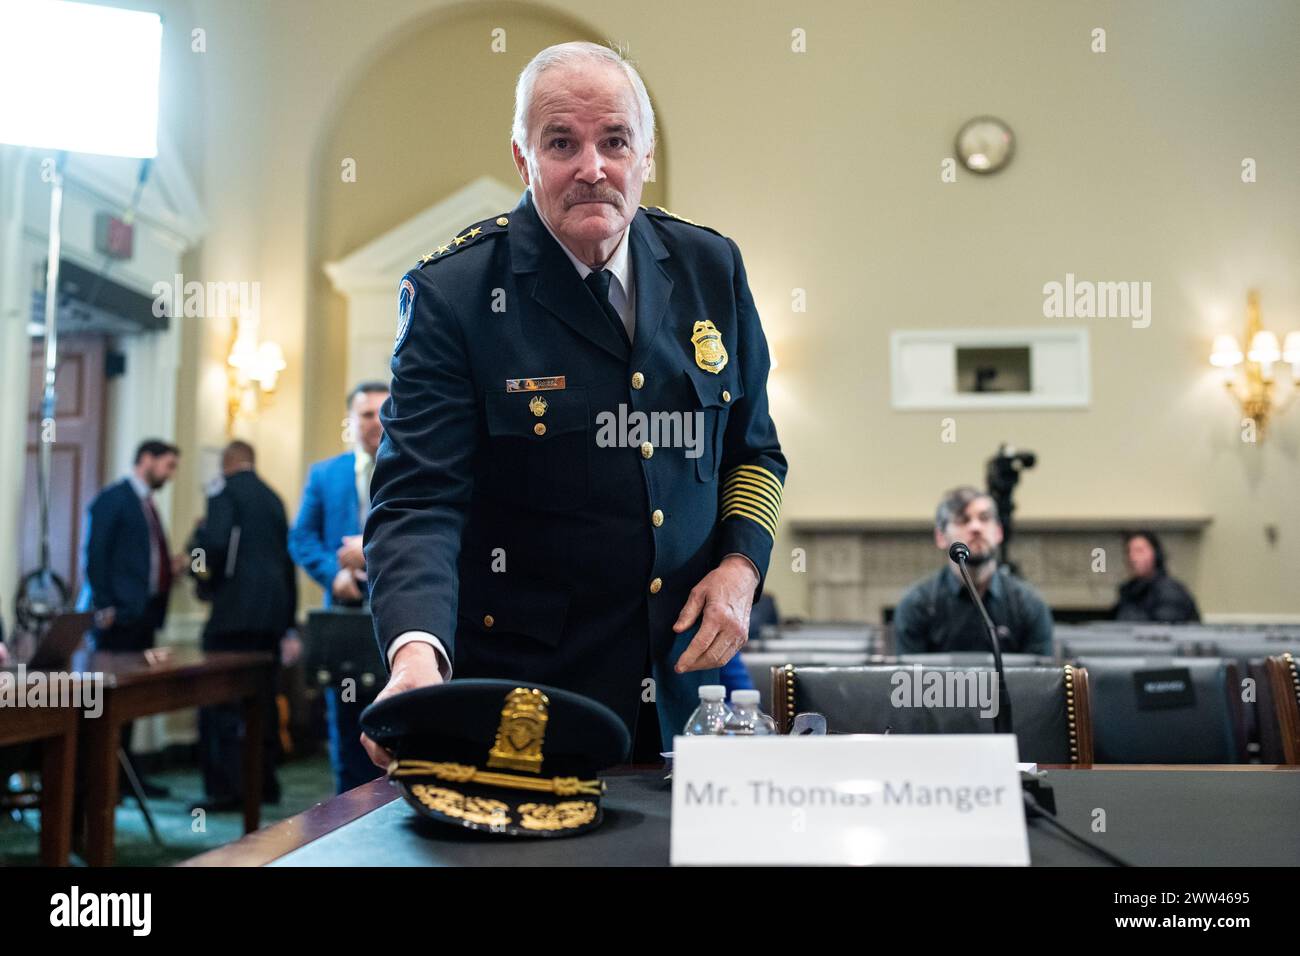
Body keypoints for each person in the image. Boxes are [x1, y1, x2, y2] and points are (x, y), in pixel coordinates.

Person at [361, 41, 787, 769]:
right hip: (526, 704)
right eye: (562, 143)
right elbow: (417, 503)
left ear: (645, 156)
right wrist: (415, 655)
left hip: (686, 693)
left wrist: (741, 566)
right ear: (523, 159)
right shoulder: (455, 295)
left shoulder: (710, 268)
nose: (592, 167)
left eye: (614, 141)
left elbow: (754, 452)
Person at [289, 381, 388, 792]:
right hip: (345, 622)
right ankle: (348, 814)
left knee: (397, 724)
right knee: (347, 729)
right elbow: (301, 537)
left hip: (398, 615)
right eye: (366, 414)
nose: (376, 422)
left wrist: (371, 550)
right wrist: (334, 573)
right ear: (350, 421)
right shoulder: (325, 474)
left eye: (384, 412)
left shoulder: (412, 467)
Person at [190, 441, 298, 812]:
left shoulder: (223, 491)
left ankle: (226, 788)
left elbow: (213, 546)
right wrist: (288, 624)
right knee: (261, 702)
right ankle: (263, 782)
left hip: (233, 615)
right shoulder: (274, 499)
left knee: (219, 702)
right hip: (272, 617)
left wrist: (198, 569)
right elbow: (286, 563)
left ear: (226, 464)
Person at [77, 438, 185, 796]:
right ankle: (101, 778)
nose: (170, 474)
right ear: (147, 459)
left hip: (143, 616)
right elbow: (95, 556)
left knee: (131, 699)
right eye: (168, 465)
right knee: (107, 700)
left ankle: (124, 778)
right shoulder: (113, 499)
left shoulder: (146, 505)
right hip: (117, 617)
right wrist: (105, 605)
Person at [893, 486, 1053, 656]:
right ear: (940, 537)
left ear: (999, 532)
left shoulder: (1029, 605)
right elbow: (911, 672)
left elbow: (1039, 671)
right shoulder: (916, 605)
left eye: (984, 518)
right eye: (963, 520)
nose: (976, 527)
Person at [1112, 530, 1201, 623]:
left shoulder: (1169, 591)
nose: (1132, 557)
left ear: (1156, 554)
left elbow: (1162, 627)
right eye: (1128, 552)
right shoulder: (1130, 591)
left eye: (1139, 551)